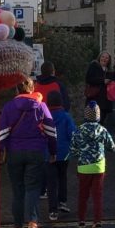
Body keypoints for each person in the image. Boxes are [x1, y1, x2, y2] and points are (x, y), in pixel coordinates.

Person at [0, 78, 55, 228]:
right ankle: (32, 222)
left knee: (17, 190)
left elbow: (2, 132)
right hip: (36, 151)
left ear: (17, 90)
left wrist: (0, 150)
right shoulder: (41, 106)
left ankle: (17, 226)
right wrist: (53, 150)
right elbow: (51, 130)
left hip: (15, 152)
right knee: (33, 188)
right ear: (32, 88)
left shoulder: (9, 107)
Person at [69, 101, 115, 228]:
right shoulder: (102, 130)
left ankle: (81, 221)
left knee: (83, 195)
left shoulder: (79, 130)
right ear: (98, 116)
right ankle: (97, 222)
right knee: (97, 195)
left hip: (83, 167)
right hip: (99, 166)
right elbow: (112, 147)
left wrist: (80, 153)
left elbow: (72, 149)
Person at [44, 90, 75, 220]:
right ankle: (62, 201)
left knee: (51, 182)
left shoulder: (45, 117)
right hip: (64, 153)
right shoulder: (66, 116)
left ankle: (52, 210)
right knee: (63, 177)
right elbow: (72, 133)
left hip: (48, 153)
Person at [84, 50, 115, 125]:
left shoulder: (111, 71)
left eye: (107, 58)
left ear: (109, 60)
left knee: (101, 122)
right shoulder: (94, 66)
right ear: (99, 57)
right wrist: (103, 81)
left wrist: (112, 83)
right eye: (103, 57)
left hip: (105, 101)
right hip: (94, 99)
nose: (104, 59)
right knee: (92, 122)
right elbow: (89, 79)